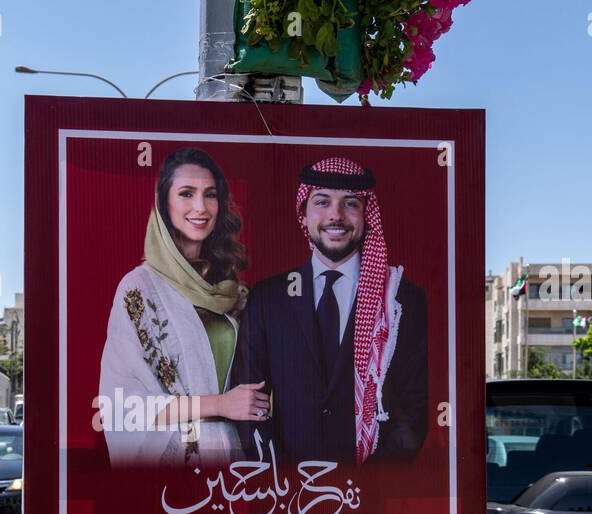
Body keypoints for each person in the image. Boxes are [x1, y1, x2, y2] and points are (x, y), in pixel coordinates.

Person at [231, 157, 427, 465]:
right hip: (285, 495)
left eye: (350, 203)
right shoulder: (268, 299)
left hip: (370, 496)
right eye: (322, 202)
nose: (335, 215)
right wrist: (279, 478)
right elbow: (247, 405)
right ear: (304, 213)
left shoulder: (401, 300)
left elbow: (412, 410)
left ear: (366, 215)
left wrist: (370, 486)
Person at [98, 147, 268, 468]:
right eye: (187, 194)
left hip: (235, 464)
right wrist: (221, 404)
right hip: (173, 468)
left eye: (210, 194)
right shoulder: (139, 290)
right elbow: (124, 407)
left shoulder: (234, 291)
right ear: (165, 204)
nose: (200, 207)